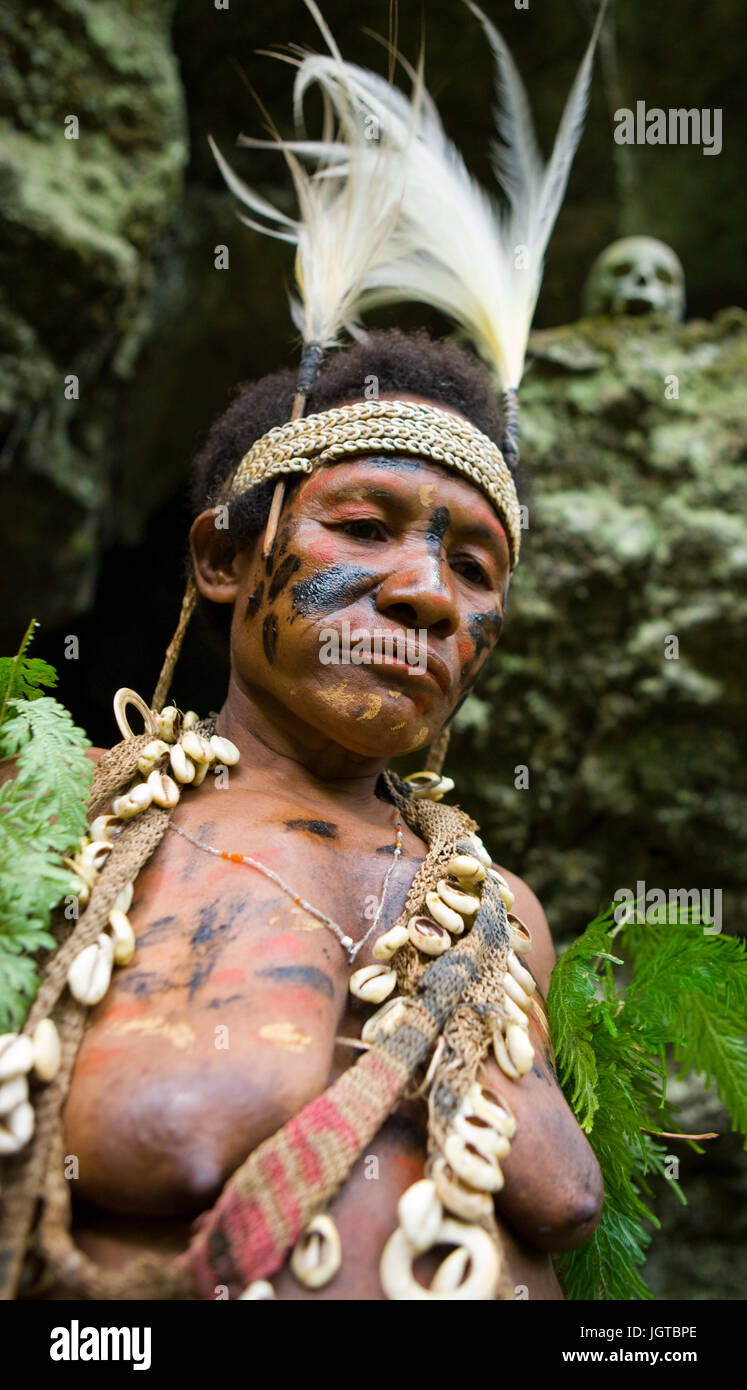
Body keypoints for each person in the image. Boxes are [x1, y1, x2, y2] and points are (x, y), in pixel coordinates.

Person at [44, 329, 602, 1300]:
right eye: (366, 525)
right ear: (225, 556)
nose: (428, 592)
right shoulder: (60, 815)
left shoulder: (503, 913)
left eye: (474, 567)